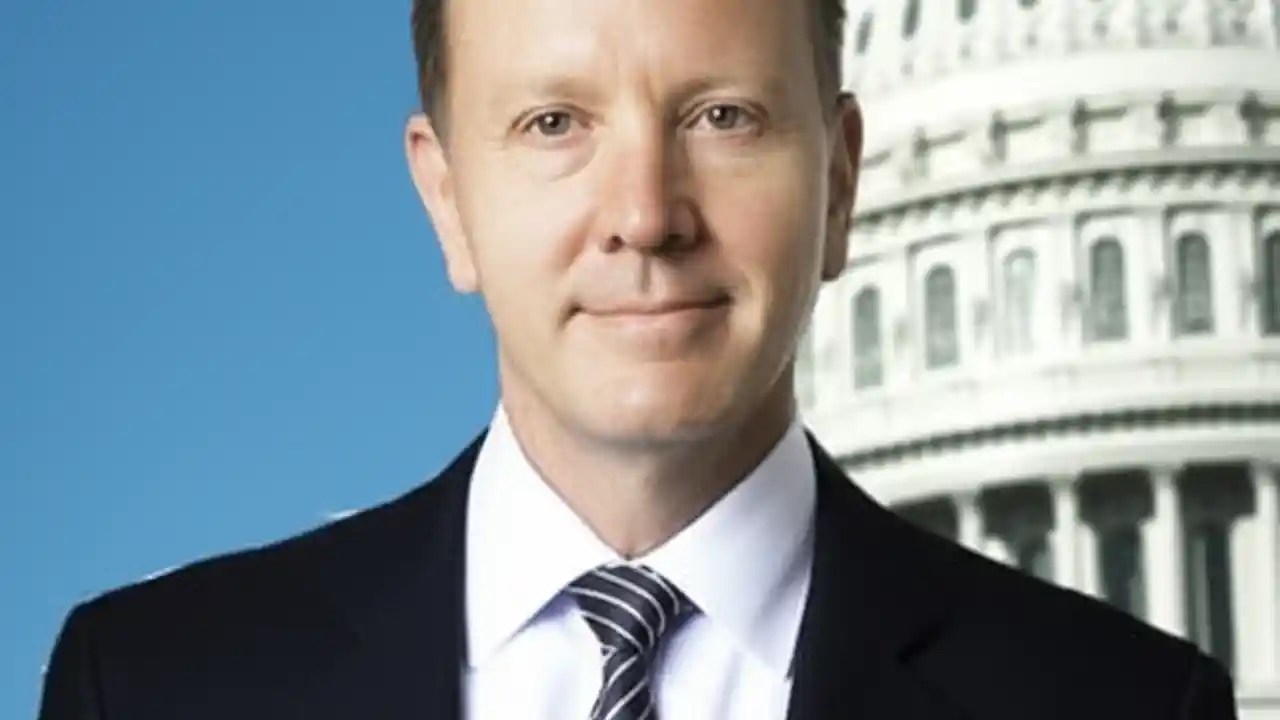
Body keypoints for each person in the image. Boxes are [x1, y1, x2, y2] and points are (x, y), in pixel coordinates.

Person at [38, 0, 1238, 717]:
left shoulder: (1126, 705)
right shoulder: (152, 689)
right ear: (446, 197)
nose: (644, 215)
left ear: (838, 182)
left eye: (722, 117)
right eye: (553, 123)